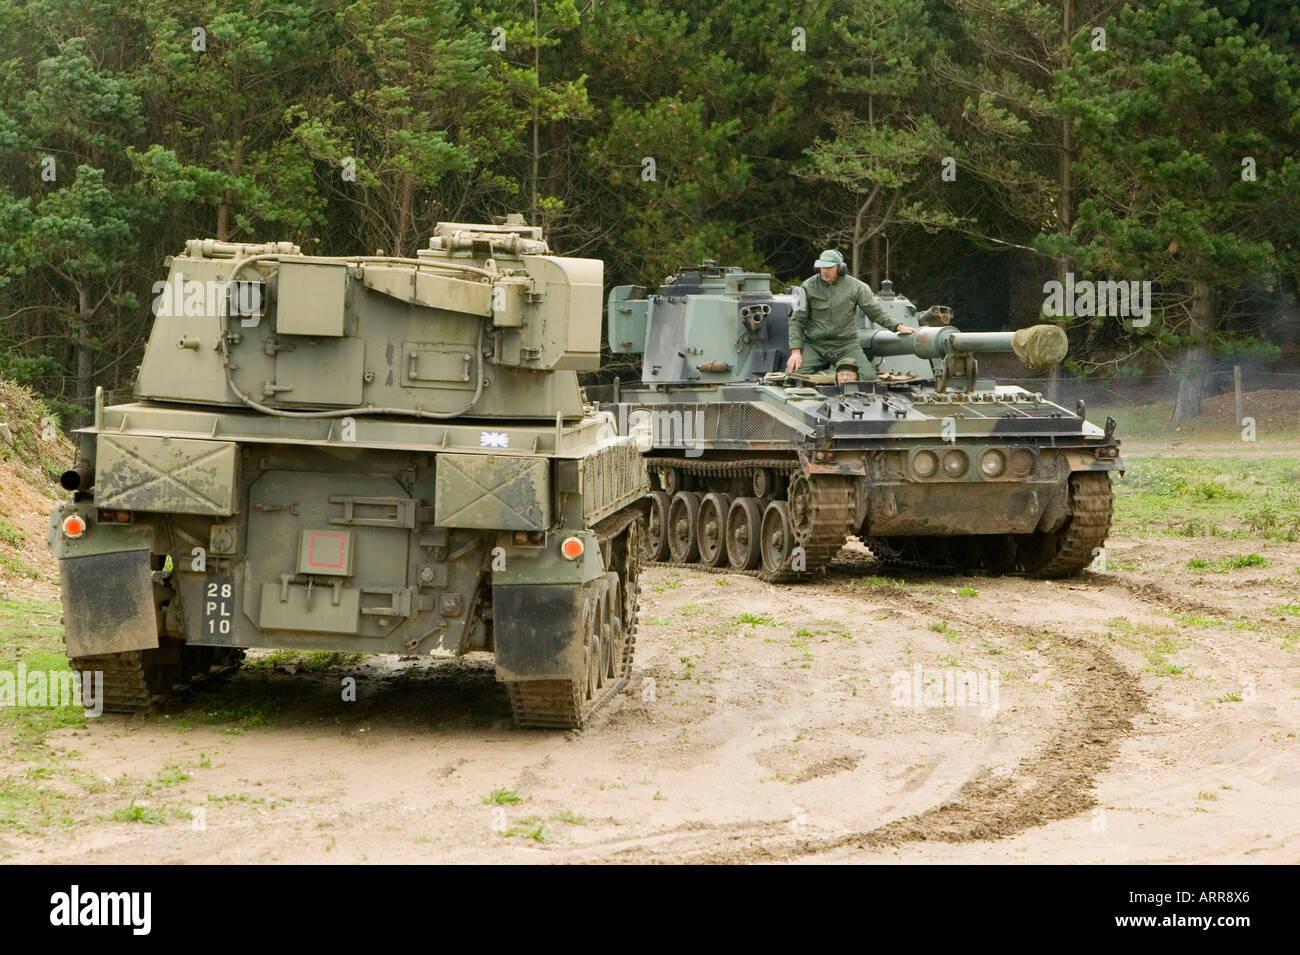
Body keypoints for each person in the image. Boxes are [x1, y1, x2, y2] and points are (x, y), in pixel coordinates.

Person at [786, 249, 915, 380]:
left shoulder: (857, 287)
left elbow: (874, 311)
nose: (824, 271)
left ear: (840, 268)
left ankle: (836, 378)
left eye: (829, 267)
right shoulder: (807, 286)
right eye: (822, 267)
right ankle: (832, 378)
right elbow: (797, 321)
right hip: (814, 344)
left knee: (867, 378)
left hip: (845, 344)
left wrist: (897, 326)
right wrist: (796, 351)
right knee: (794, 375)